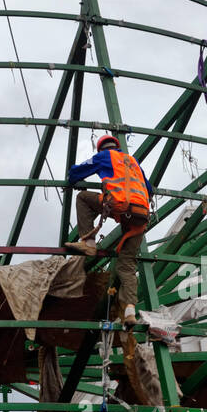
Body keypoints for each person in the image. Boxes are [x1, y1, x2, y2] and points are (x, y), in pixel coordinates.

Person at [64, 134, 152, 328]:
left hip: (119, 206)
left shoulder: (105, 157)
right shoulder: (133, 162)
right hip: (141, 214)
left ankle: (88, 243)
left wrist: (70, 179)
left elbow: (76, 172)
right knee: (126, 265)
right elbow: (149, 188)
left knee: (82, 198)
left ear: (101, 148)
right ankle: (130, 311)